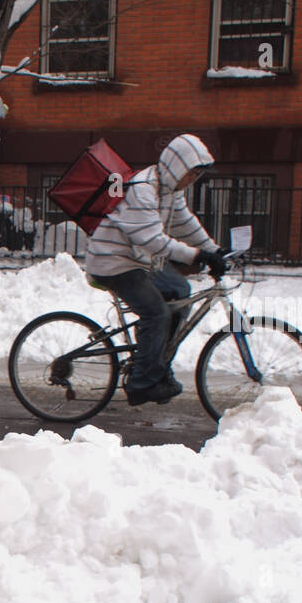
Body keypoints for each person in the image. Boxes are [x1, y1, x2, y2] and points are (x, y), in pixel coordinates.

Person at [84, 133, 227, 406]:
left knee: (180, 290)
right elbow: (152, 240)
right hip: (112, 262)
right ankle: (141, 383)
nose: (192, 180)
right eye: (191, 173)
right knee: (156, 312)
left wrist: (213, 249)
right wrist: (197, 255)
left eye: (197, 176)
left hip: (136, 261)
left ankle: (155, 363)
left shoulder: (169, 190)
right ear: (176, 166)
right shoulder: (143, 188)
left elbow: (185, 223)